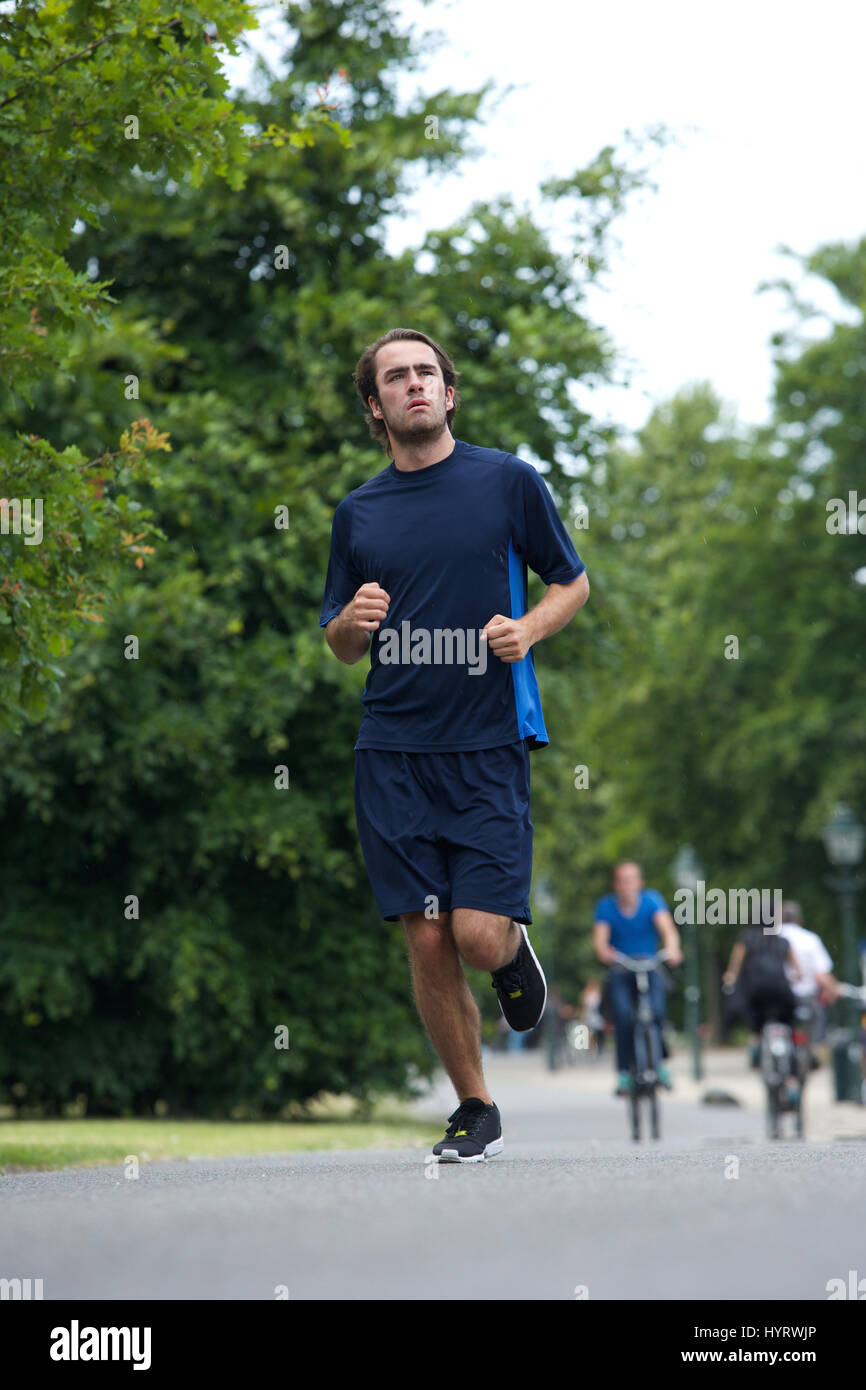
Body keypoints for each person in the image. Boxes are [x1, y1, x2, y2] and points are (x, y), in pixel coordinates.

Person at [320, 328, 590, 1163]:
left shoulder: (507, 482)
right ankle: (475, 1106)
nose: (413, 387)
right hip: (393, 750)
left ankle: (511, 954)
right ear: (375, 405)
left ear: (448, 392)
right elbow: (336, 639)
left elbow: (570, 582)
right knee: (427, 936)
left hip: (486, 740)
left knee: (474, 934)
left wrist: (529, 631)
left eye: (426, 374)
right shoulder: (357, 513)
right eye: (395, 378)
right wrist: (350, 625)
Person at [592, 861, 683, 1095]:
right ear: (616, 884)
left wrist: (672, 949)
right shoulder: (606, 907)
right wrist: (605, 952)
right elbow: (600, 941)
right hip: (622, 967)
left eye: (631, 879)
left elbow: (668, 931)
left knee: (658, 1013)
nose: (627, 885)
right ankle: (623, 1073)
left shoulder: (652, 901)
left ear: (640, 882)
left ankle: (659, 1064)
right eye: (622, 880)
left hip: (649, 965)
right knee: (623, 1016)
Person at [722, 910, 802, 1096]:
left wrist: (730, 978)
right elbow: (797, 971)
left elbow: (735, 967)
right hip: (782, 993)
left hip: (756, 994)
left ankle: (756, 1047)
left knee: (755, 1022)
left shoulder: (746, 939)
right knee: (790, 1028)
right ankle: (792, 1079)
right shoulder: (783, 941)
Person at [776, 900, 839, 1063]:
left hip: (778, 995)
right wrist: (833, 990)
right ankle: (814, 1052)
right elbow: (821, 974)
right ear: (799, 918)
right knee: (817, 1017)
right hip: (805, 996)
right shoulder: (809, 939)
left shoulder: (770, 938)